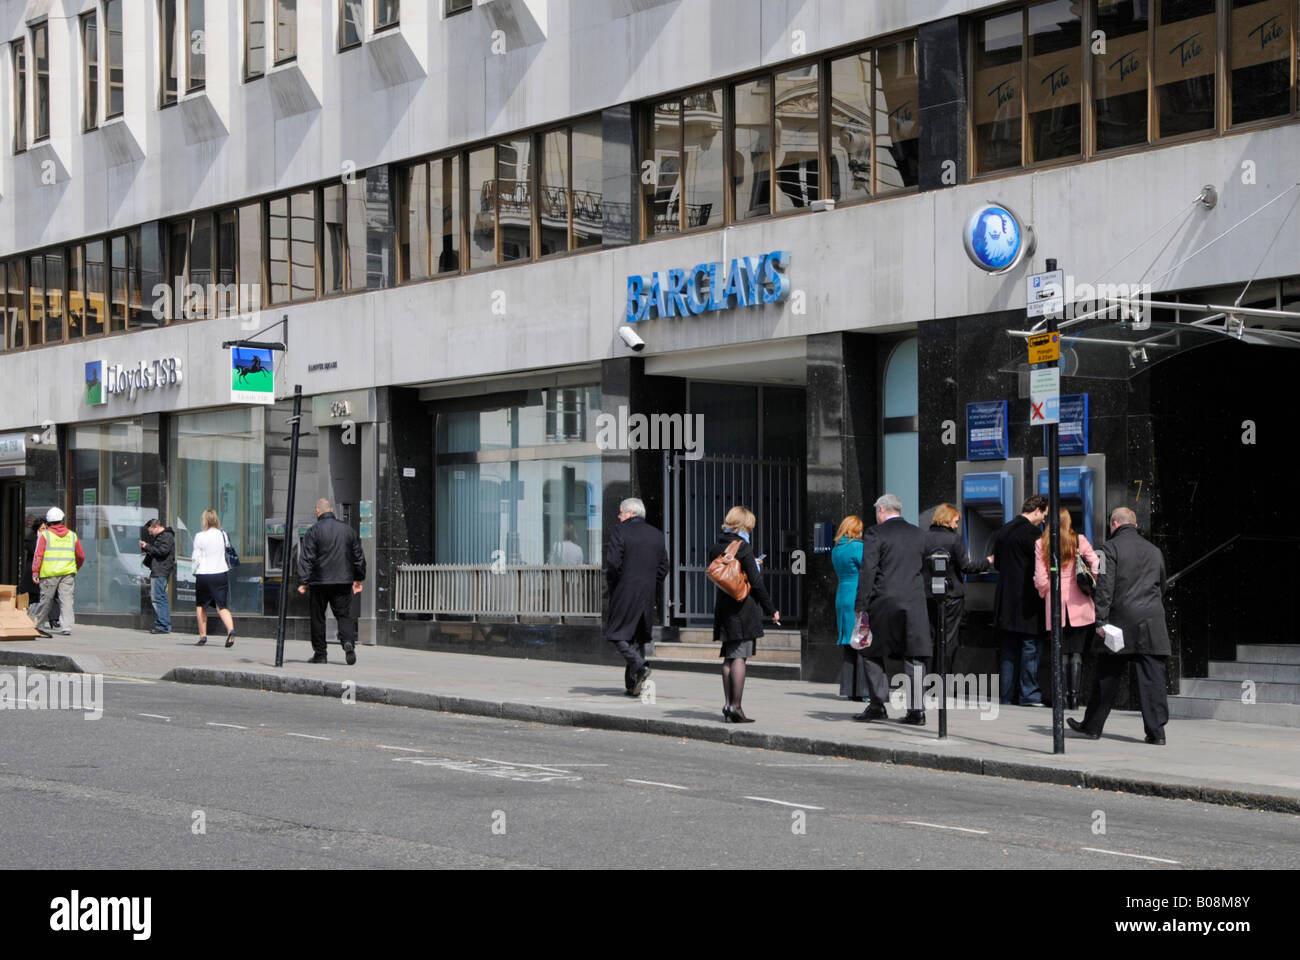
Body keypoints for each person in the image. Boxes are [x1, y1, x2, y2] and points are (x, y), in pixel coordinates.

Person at [1069, 508, 1171, 744]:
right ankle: (1157, 733)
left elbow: (1104, 587)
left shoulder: (1107, 549)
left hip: (1120, 621)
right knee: (1152, 678)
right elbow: (1162, 585)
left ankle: (1092, 726)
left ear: (1114, 524)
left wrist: (1100, 620)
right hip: (1152, 621)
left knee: (1107, 674)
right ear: (1134, 525)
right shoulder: (1155, 551)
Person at [853, 494, 930, 724]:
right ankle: (917, 711)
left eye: (877, 512)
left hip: (883, 601)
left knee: (870, 650)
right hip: (914, 602)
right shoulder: (918, 534)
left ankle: (877, 704)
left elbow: (868, 571)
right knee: (915, 655)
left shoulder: (875, 534)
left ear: (882, 511)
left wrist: (861, 605)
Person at [708, 506, 779, 723]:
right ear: (744, 525)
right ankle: (735, 706)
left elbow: (728, 572)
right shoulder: (743, 547)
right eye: (750, 526)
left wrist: (750, 565)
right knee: (740, 656)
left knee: (729, 656)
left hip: (724, 608)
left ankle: (728, 704)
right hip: (743, 608)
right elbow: (756, 584)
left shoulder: (716, 546)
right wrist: (771, 609)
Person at [1032, 509, 1099, 710]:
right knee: (1077, 652)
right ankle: (1074, 699)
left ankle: (1060, 697)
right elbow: (1096, 560)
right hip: (1080, 605)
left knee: (1060, 653)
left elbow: (1041, 578)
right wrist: (1093, 580)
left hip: (1056, 607)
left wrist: (1045, 592)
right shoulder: (1078, 540)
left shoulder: (1041, 543)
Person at [604, 498, 668, 696]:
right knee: (636, 636)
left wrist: (618, 582)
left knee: (617, 633)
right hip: (647, 592)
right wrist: (650, 583)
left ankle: (639, 666)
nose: (619, 516)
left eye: (621, 512)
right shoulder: (657, 535)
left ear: (631, 513)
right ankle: (632, 684)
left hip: (625, 589)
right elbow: (664, 566)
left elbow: (613, 563)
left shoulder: (620, 531)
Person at [991, 494, 1049, 706]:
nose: (1044, 520)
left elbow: (997, 563)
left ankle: (1006, 696)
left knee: (1008, 650)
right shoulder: (1033, 533)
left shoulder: (1004, 529)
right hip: (1027, 601)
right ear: (1037, 510)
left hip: (1005, 601)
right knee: (1030, 646)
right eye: (1044, 515)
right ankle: (1029, 694)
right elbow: (1041, 566)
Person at [298, 498, 367, 665]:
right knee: (343, 615)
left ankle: (320, 654)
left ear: (318, 511)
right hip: (343, 581)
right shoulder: (348, 530)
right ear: (331, 510)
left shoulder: (313, 531)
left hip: (319, 581)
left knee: (318, 617)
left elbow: (306, 559)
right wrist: (358, 578)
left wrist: (303, 581)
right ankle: (348, 642)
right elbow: (358, 557)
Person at [923, 503, 990, 676]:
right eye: (955, 520)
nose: (957, 524)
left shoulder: (924, 537)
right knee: (949, 638)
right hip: (951, 596)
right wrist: (988, 562)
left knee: (931, 638)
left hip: (928, 595)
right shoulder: (954, 539)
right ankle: (943, 680)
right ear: (947, 518)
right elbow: (966, 566)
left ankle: (929, 681)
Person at [29, 508, 83, 636]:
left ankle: (38, 624)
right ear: (62, 520)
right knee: (67, 600)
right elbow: (80, 556)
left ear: (48, 521)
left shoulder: (45, 535)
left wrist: (35, 572)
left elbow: (38, 555)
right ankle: (67, 627)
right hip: (67, 572)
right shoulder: (72, 535)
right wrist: (76, 568)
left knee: (46, 599)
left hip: (49, 573)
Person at [832, 515, 867, 701]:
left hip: (842, 594)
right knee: (861, 641)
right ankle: (862, 691)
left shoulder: (837, 549)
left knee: (848, 642)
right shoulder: (858, 547)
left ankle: (848, 688)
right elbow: (868, 569)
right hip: (856, 594)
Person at [191, 508, 236, 647]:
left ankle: (203, 636)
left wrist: (193, 570)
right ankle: (231, 630)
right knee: (221, 606)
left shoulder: (200, 536)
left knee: (201, 606)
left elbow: (196, 557)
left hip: (204, 574)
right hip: (220, 573)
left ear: (204, 520)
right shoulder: (223, 534)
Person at [23, 518, 62, 630]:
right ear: (37, 530)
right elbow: (34, 551)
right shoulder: (31, 539)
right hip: (33, 571)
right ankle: (32, 618)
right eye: (42, 529)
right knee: (35, 597)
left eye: (46, 529)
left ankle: (54, 618)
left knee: (51, 595)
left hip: (46, 570)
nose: (44, 531)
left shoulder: (48, 539)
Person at [140, 518, 176, 635]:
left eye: (150, 531)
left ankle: (162, 625)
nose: (150, 533)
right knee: (161, 598)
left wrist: (147, 546)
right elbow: (159, 551)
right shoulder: (163, 536)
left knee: (157, 598)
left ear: (155, 526)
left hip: (160, 570)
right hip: (161, 570)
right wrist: (147, 548)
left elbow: (162, 551)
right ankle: (164, 625)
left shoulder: (166, 536)